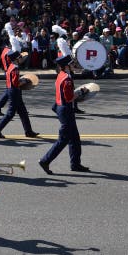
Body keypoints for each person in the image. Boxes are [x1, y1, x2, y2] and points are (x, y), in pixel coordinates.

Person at [39, 40, 90, 174]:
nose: (73, 65)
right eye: (71, 64)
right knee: (63, 140)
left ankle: (75, 164)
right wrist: (81, 92)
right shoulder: (67, 79)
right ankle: (45, 160)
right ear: (67, 66)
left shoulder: (61, 75)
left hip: (61, 107)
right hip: (66, 109)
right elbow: (69, 97)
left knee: (74, 138)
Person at [0, 37, 38, 139]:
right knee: (10, 114)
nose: (21, 58)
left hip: (12, 90)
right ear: (17, 59)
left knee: (23, 112)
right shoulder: (15, 69)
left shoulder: (11, 67)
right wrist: (25, 81)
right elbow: (16, 83)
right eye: (20, 57)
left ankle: (28, 131)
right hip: (14, 91)